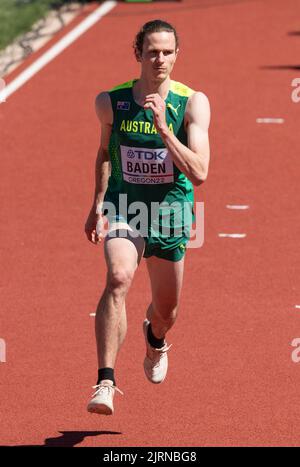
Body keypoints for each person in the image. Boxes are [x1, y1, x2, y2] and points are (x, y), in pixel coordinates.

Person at [85, 19, 210, 415]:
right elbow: (105, 153)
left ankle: (155, 339)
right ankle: (105, 381)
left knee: (166, 311)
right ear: (137, 53)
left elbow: (200, 172)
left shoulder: (191, 103)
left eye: (167, 52)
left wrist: (164, 130)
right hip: (126, 207)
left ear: (177, 55)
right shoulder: (112, 102)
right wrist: (97, 203)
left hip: (171, 213)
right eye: (152, 51)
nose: (159, 59)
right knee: (119, 277)